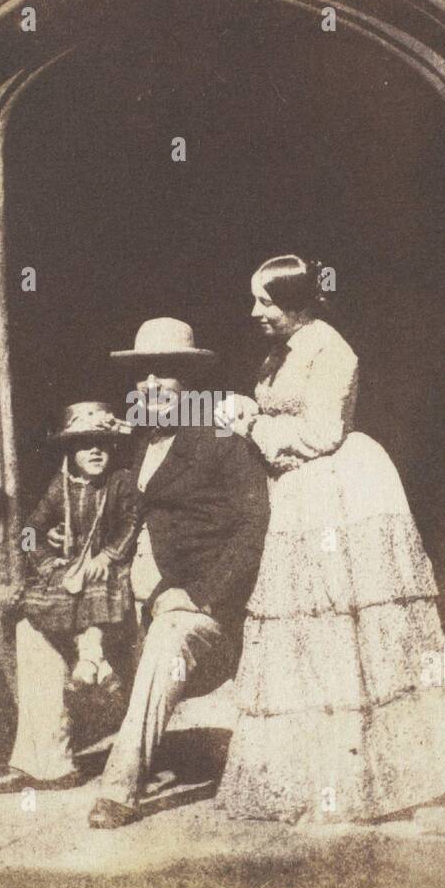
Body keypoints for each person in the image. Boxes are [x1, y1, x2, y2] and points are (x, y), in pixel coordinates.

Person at [214, 254, 445, 823]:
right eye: (256, 300)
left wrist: (252, 425)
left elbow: (321, 432)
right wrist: (246, 406)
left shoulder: (331, 349)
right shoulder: (279, 353)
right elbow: (280, 410)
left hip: (340, 491)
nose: (256, 311)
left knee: (345, 624)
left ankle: (370, 778)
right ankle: (305, 776)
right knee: (305, 630)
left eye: (267, 301)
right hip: (297, 493)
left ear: (299, 301)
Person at [86, 318, 271, 829]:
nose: (150, 385)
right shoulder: (132, 444)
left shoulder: (220, 439)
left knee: (168, 638)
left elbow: (253, 529)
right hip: (127, 602)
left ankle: (120, 787)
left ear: (188, 380)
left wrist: (200, 596)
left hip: (198, 615)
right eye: (143, 374)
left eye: (164, 374)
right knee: (34, 628)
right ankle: (41, 761)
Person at [17, 402, 138, 693]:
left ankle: (90, 658)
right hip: (71, 564)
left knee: (98, 582)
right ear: (71, 452)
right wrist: (45, 559)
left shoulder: (119, 481)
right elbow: (28, 530)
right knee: (45, 598)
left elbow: (132, 521)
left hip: (108, 564)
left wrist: (107, 556)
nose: (95, 451)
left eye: (101, 444)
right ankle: (98, 665)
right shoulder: (61, 486)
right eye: (85, 446)